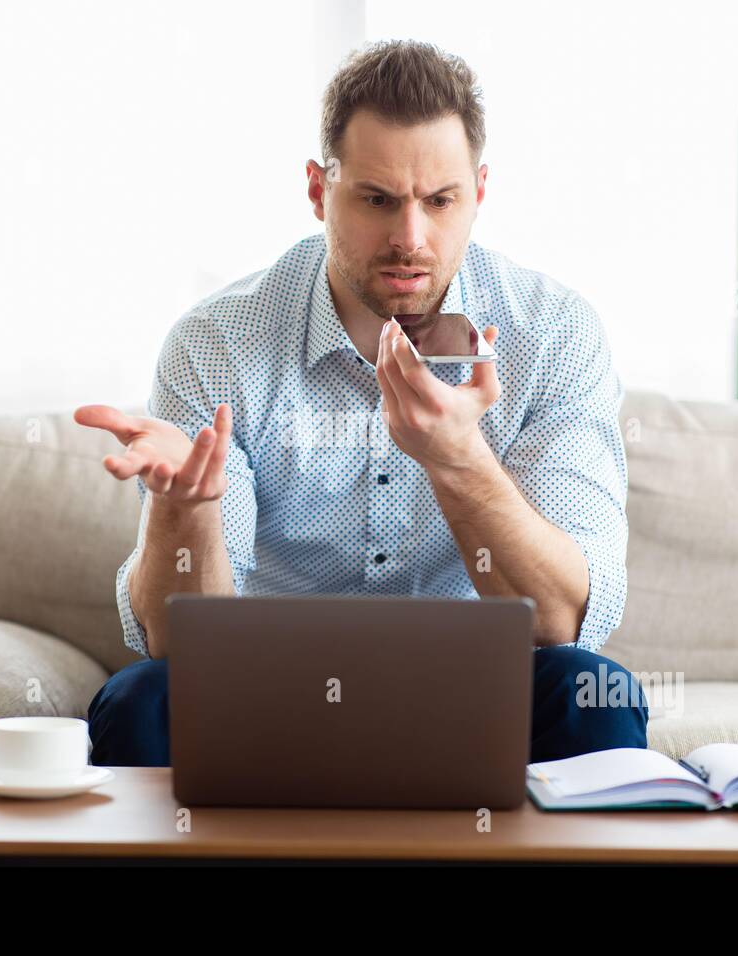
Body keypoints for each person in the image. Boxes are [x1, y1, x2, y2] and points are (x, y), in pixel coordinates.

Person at [76, 39, 647, 767]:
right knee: (142, 698)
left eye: (440, 202)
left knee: (590, 689)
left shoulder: (555, 335)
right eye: (377, 200)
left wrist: (459, 459)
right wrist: (186, 509)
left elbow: (565, 619)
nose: (410, 240)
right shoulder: (218, 344)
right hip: (270, 691)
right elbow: (177, 642)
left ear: (479, 192)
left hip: (476, 689)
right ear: (319, 191)